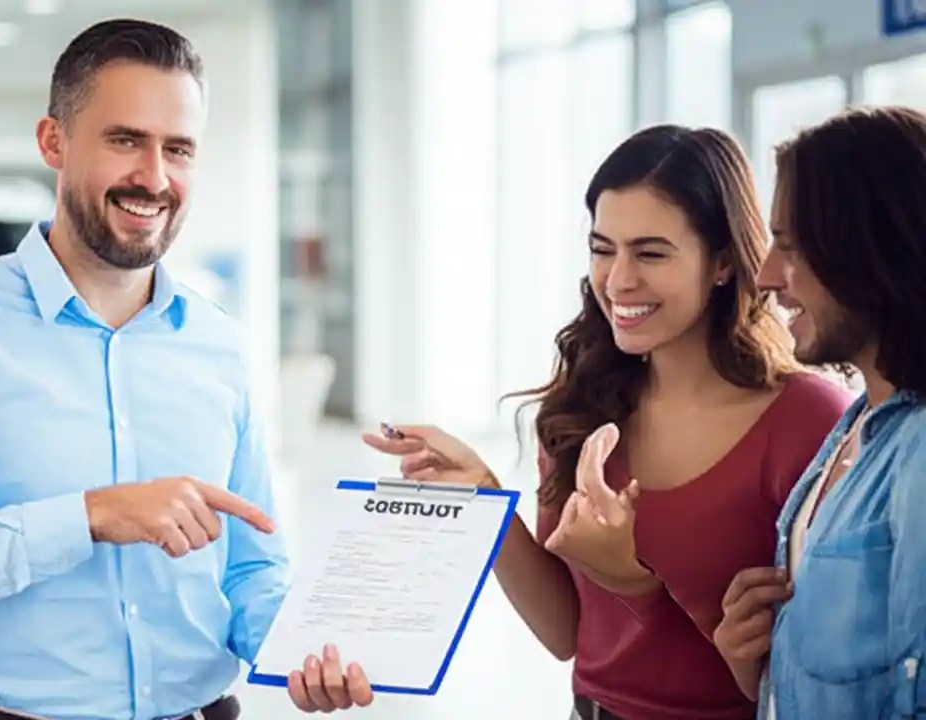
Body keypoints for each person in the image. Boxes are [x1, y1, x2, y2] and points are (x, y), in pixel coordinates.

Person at [0, 19, 370, 720]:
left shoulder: (218, 343)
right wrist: (91, 515)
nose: (153, 177)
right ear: (53, 142)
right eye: (125, 140)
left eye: (177, 149)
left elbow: (250, 567)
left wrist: (302, 657)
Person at [364, 125, 853, 719]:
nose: (618, 280)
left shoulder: (807, 419)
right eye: (602, 248)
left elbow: (810, 670)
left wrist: (634, 583)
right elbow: (566, 633)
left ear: (723, 261)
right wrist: (485, 500)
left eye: (650, 252)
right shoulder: (579, 409)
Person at [713, 106, 926, 720]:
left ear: (871, 245)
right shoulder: (856, 424)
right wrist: (759, 660)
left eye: (790, 245)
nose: (765, 276)